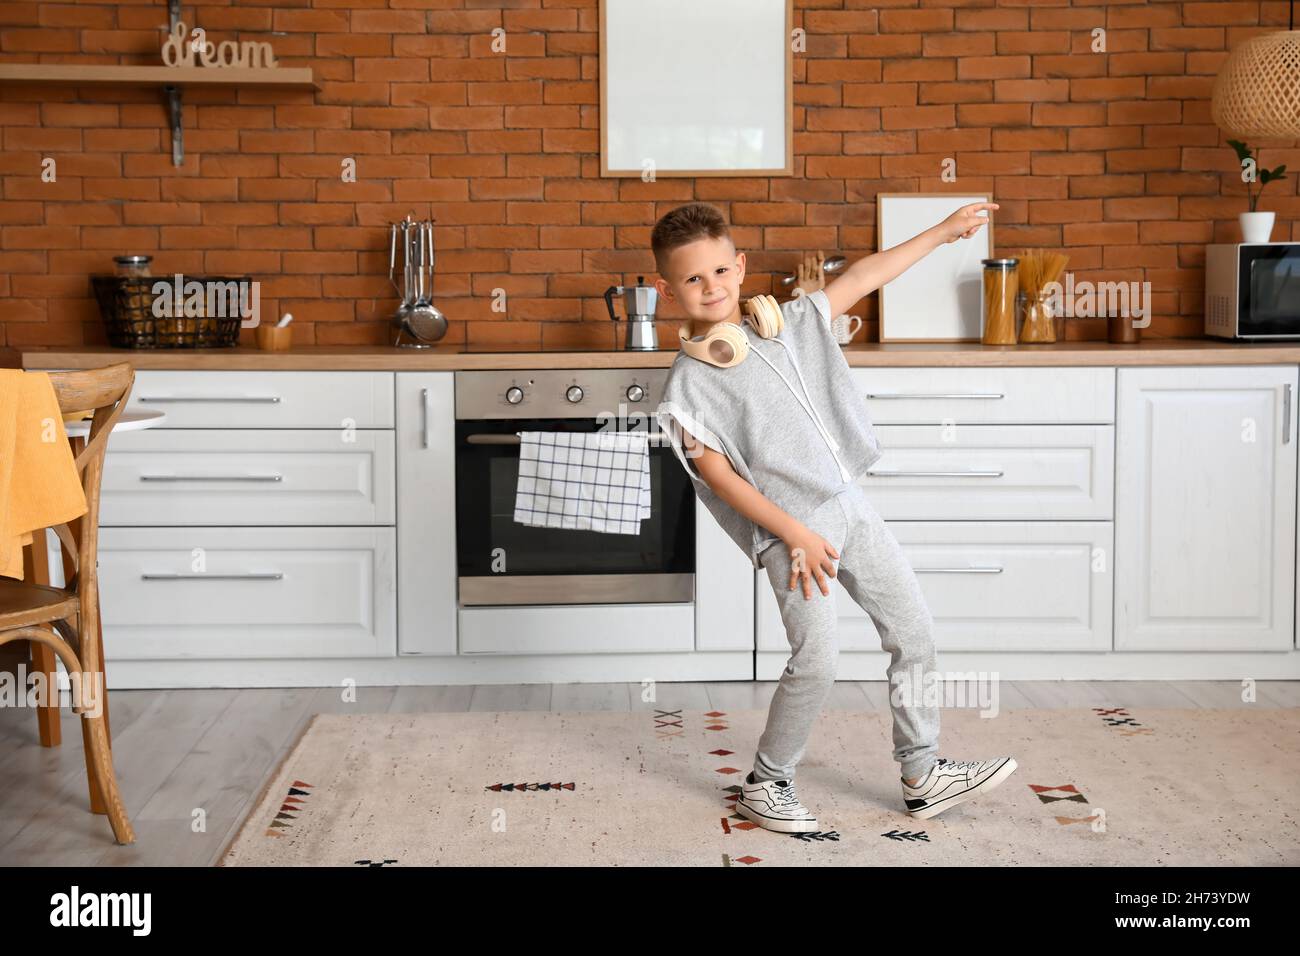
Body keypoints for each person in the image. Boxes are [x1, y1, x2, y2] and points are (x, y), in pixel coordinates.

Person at [652, 201, 1018, 833]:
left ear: (741, 269)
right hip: (789, 534)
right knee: (817, 659)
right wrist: (795, 533)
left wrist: (944, 231)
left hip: (849, 506)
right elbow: (716, 476)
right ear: (667, 290)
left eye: (719, 271)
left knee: (914, 632)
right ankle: (767, 784)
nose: (710, 288)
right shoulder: (688, 385)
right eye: (692, 279)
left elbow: (864, 276)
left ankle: (922, 773)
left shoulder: (791, 323)